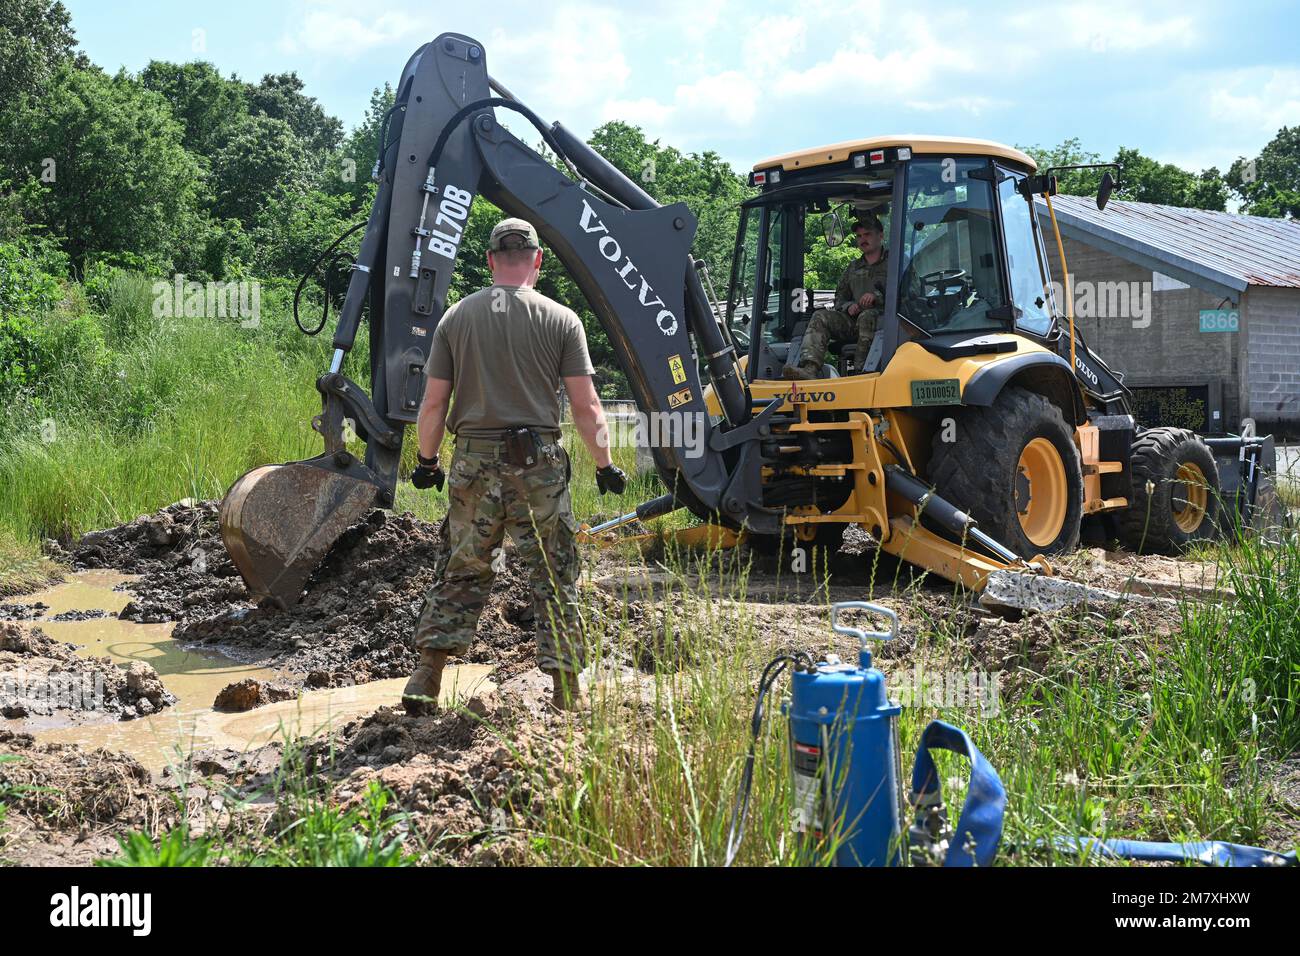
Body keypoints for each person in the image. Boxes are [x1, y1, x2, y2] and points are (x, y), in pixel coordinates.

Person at [404, 217, 627, 714]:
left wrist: (426, 461)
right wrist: (605, 465)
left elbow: (434, 405)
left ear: (490, 261)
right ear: (537, 261)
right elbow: (587, 407)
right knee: (553, 573)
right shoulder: (562, 319)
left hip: (473, 465)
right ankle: (566, 692)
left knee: (461, 567)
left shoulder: (456, 318)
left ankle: (425, 679)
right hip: (538, 470)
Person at [784, 212, 889, 379]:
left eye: (867, 234)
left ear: (881, 236)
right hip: (854, 323)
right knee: (820, 316)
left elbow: (908, 293)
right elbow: (839, 298)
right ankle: (809, 369)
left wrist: (877, 297)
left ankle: (861, 373)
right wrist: (848, 306)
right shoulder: (853, 268)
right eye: (859, 236)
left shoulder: (895, 262)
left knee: (867, 316)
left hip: (886, 324)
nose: (863, 239)